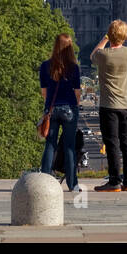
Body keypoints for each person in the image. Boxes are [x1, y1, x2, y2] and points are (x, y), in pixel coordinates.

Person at [90, 19, 127, 192]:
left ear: (110, 34)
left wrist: (105, 38)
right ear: (123, 35)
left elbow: (92, 55)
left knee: (112, 143)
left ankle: (114, 181)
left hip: (108, 106)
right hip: (125, 105)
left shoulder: (104, 55)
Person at [39, 34, 83, 192]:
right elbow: (77, 92)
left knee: (50, 145)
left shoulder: (45, 66)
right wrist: (75, 106)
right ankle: (73, 185)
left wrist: (50, 104)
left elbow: (44, 92)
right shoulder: (74, 68)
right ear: (70, 47)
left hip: (51, 109)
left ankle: (44, 182)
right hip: (69, 109)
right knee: (69, 147)